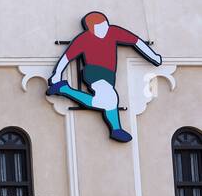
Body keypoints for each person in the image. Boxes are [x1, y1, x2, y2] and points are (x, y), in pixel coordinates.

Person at [46, 11, 162, 143]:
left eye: (105, 25)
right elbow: (66, 58)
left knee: (106, 102)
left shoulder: (113, 32)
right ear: (91, 29)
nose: (104, 29)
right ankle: (116, 130)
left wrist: (153, 56)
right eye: (99, 27)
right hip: (93, 72)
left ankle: (64, 90)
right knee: (111, 98)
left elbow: (137, 42)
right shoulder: (84, 39)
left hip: (109, 75)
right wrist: (57, 74)